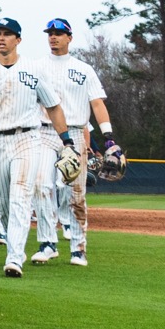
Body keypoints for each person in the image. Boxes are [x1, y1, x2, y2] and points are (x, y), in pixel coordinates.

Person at [0, 18, 71, 277]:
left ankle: (14, 257)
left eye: (7, 34)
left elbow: (53, 106)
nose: (1, 38)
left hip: (26, 138)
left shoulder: (33, 69)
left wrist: (68, 141)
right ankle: (15, 244)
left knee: (20, 198)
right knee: (2, 203)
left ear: (18, 40)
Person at [39, 18, 121, 266]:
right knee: (41, 186)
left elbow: (97, 103)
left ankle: (78, 249)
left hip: (74, 133)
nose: (53, 37)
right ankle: (47, 243)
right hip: (43, 132)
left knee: (75, 193)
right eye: (50, 33)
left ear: (69, 38)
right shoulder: (37, 66)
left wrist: (108, 137)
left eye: (59, 33)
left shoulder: (84, 69)